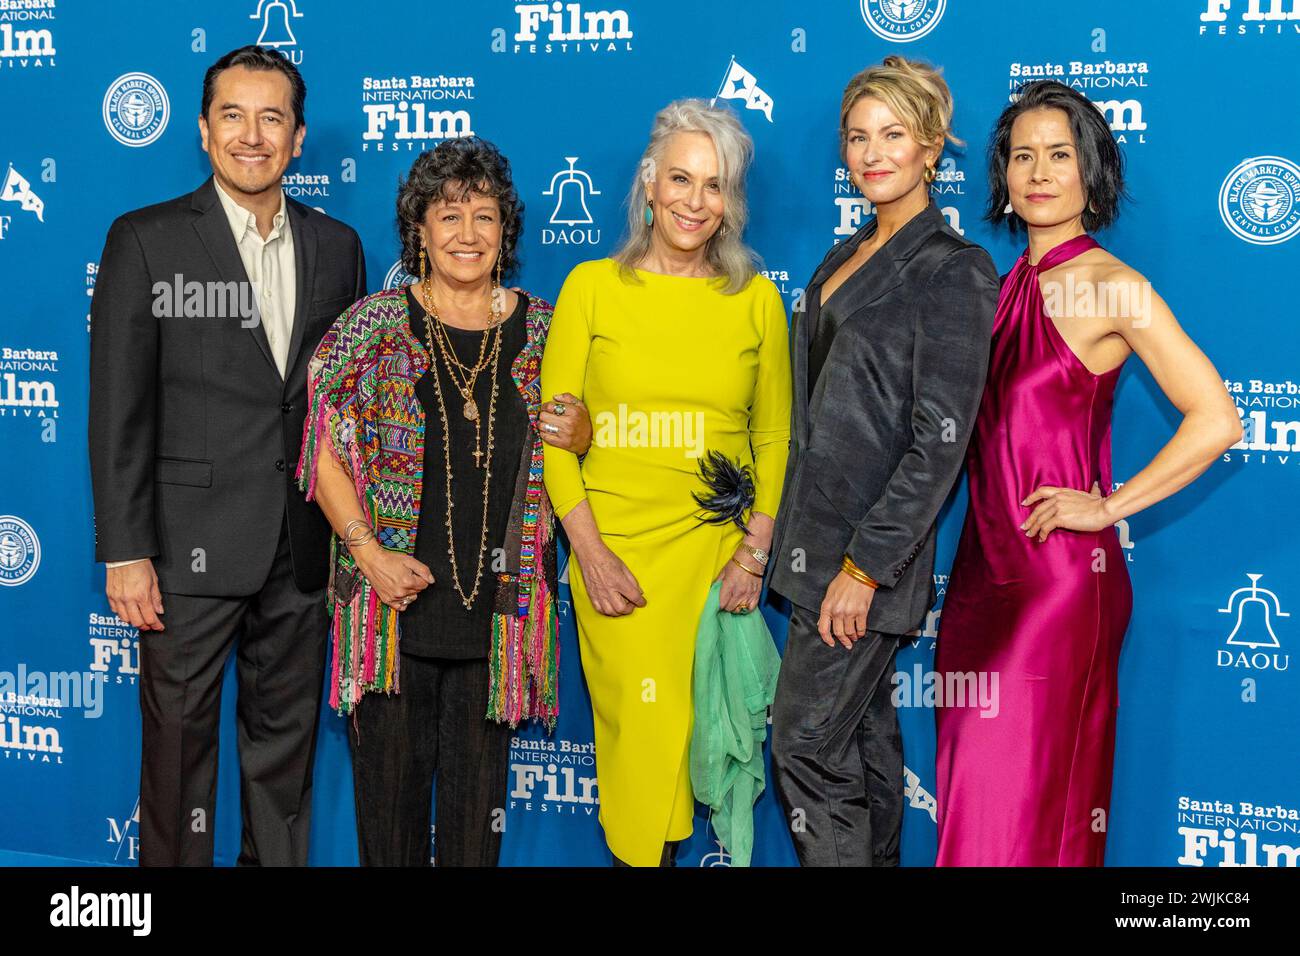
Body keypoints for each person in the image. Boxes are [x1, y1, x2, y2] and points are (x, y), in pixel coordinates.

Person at [933, 80, 1242, 867]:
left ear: (1091, 171)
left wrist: (1109, 507)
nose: (1039, 172)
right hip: (978, 581)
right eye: (1022, 155)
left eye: (1060, 155)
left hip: (1058, 589)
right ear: (1002, 174)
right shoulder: (995, 293)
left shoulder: (1114, 286)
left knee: (1029, 819)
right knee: (975, 808)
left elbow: (1218, 419)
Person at [88, 45, 365, 866]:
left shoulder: (337, 247)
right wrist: (126, 551)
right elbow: (118, 411)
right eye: (234, 117)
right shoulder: (146, 240)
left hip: (301, 547)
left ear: (299, 137)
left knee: (285, 759)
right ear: (204, 132)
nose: (253, 136)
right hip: (181, 552)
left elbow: (333, 409)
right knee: (177, 759)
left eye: (271, 117)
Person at [298, 137, 589, 866]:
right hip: (393, 618)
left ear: (506, 232)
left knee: (473, 837)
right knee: (389, 832)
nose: (467, 234)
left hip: (497, 627)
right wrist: (369, 556)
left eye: (484, 216)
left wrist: (587, 433)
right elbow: (320, 445)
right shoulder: (373, 326)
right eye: (449, 215)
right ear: (419, 231)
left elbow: (582, 446)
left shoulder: (548, 333)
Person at [542, 99, 792, 867]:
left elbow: (776, 435)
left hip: (716, 560)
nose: (693, 200)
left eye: (713, 185)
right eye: (680, 179)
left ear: (730, 202)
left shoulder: (754, 298)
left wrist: (755, 554)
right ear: (649, 186)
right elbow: (557, 435)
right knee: (642, 752)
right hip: (616, 556)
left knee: (700, 741)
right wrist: (588, 553)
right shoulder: (591, 287)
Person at [767, 56, 998, 867]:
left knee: (801, 745)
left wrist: (863, 569)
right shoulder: (842, 257)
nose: (872, 152)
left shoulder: (954, 269)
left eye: (893, 134)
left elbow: (940, 441)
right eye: (858, 136)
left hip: (862, 565)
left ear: (932, 147)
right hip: (808, 549)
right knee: (863, 751)